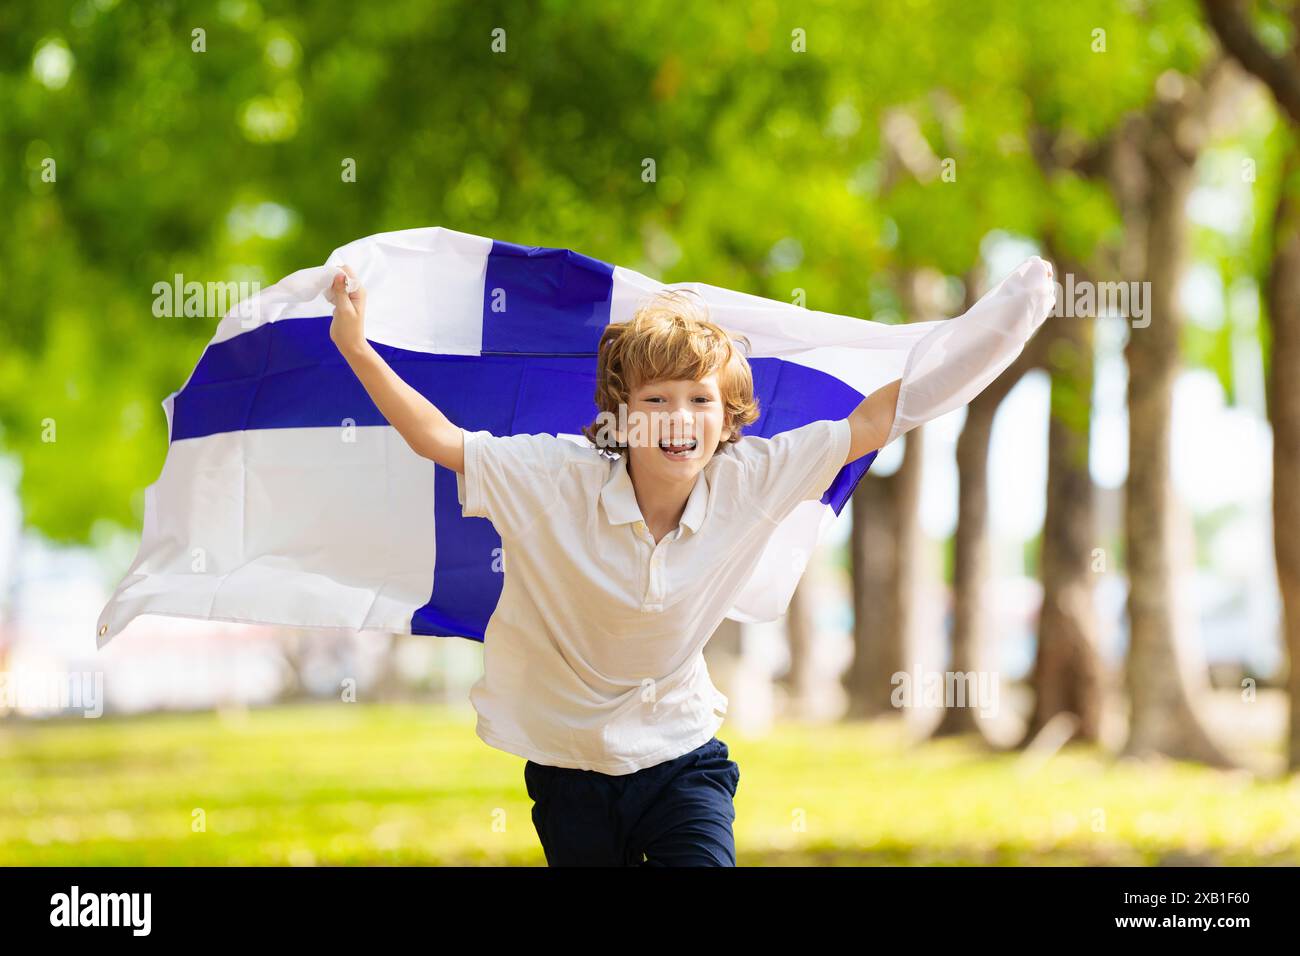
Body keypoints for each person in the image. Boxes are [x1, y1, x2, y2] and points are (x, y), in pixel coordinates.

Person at [326, 254, 1055, 866]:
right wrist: (358, 347)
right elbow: (440, 439)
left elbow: (879, 416)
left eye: (700, 400)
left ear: (729, 415)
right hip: (569, 766)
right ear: (622, 412)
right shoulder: (555, 477)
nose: (680, 419)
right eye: (657, 399)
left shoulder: (753, 478)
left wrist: (999, 329)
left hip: (680, 757)